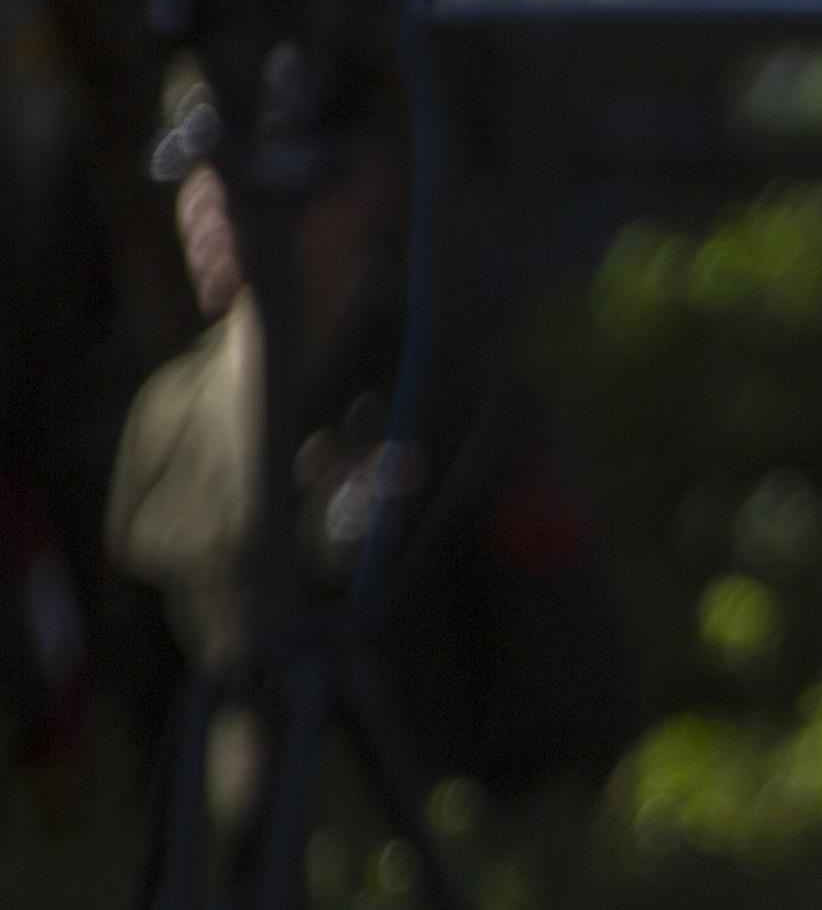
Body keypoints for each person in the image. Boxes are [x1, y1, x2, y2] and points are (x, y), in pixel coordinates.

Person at [108, 45, 627, 796]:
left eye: (250, 175)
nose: (209, 203)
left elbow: (562, 695)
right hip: (221, 877)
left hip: (419, 850)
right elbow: (135, 707)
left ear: (361, 190)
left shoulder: (458, 406)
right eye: (195, 172)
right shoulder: (166, 419)